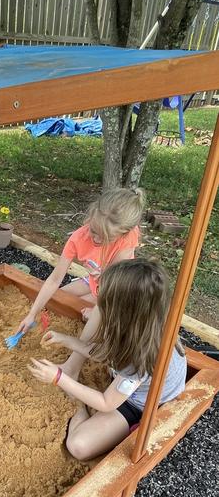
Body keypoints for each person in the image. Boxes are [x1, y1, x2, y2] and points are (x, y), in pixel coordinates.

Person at [27, 259, 186, 461]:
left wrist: (60, 378)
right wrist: (67, 341)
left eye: (104, 296)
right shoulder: (142, 325)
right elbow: (106, 353)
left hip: (140, 403)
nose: (98, 297)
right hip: (132, 380)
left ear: (123, 310)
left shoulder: (142, 354)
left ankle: (76, 402)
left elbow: (106, 402)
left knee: (78, 446)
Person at [18, 186, 145, 381]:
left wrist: (95, 308)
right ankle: (91, 307)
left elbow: (111, 289)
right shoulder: (78, 238)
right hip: (95, 280)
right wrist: (31, 314)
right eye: (93, 230)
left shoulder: (129, 237)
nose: (95, 238)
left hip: (120, 290)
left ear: (125, 233)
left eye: (104, 237)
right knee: (62, 295)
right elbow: (54, 279)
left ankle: (72, 367)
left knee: (97, 314)